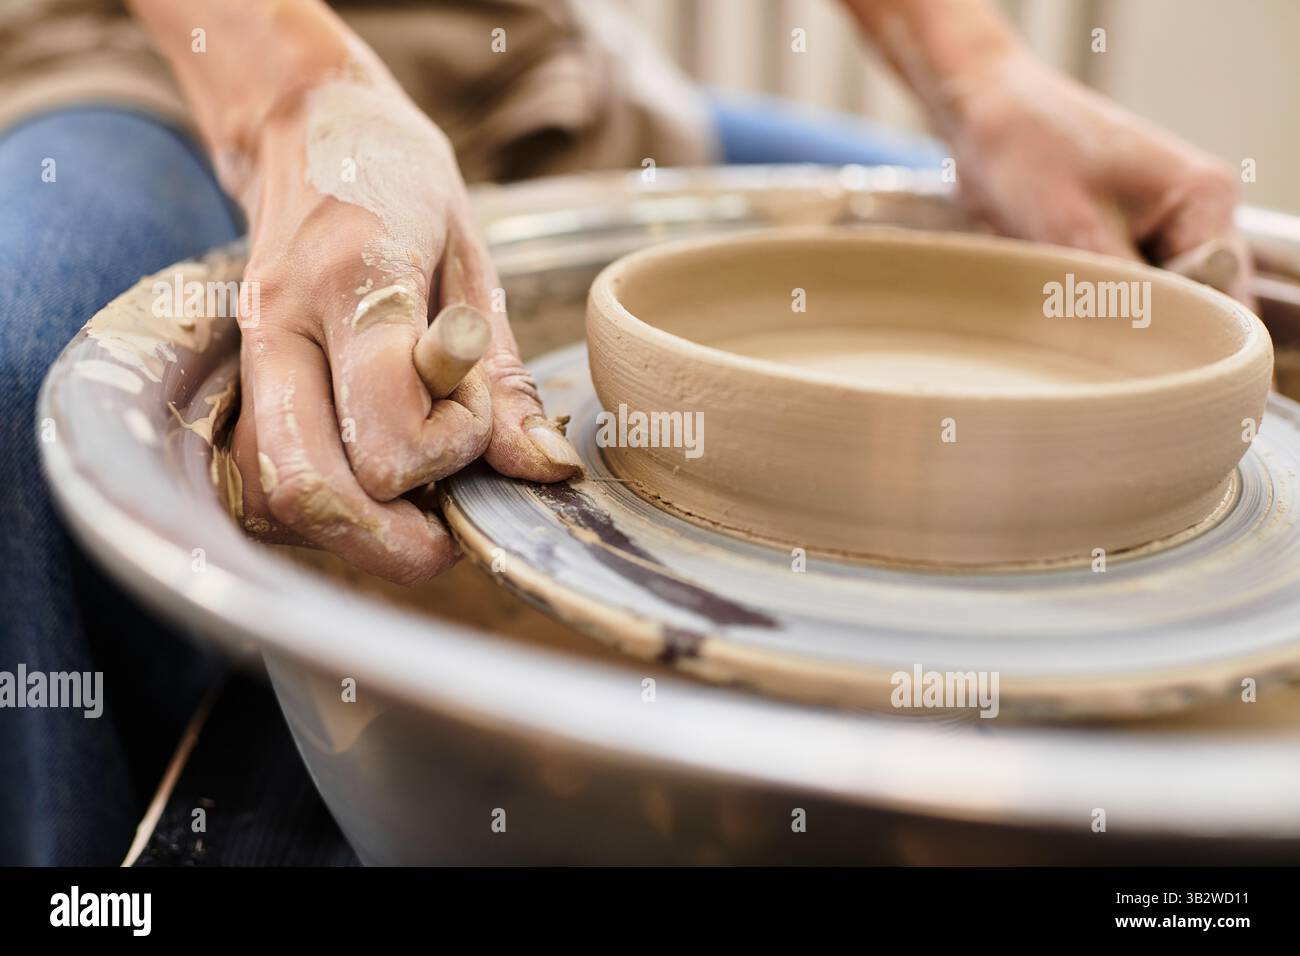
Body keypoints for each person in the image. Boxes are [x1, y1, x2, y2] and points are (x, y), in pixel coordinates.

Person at [0, 0, 1249, 864]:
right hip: (160, 57)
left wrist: (980, 80)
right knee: (21, 376)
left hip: (514, 69)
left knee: (1015, 249)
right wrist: (293, 98)